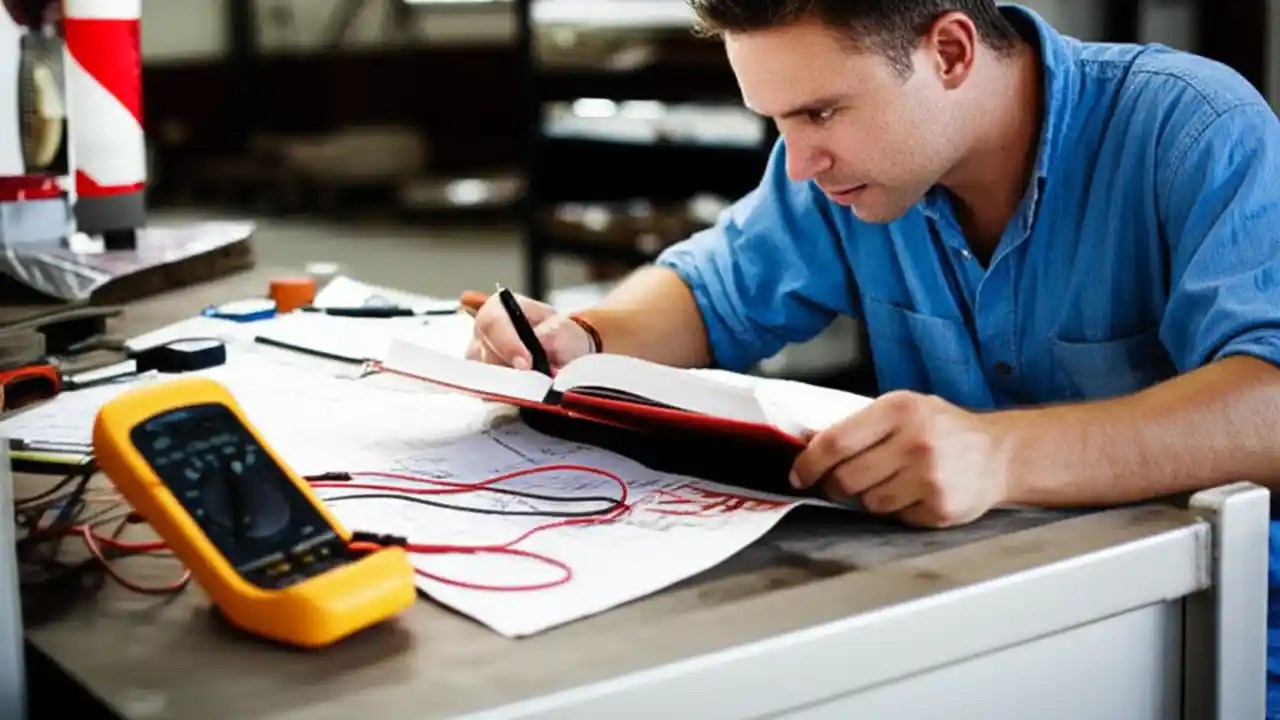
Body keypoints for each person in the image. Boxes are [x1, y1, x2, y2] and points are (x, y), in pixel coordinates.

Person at [467, 0, 1280, 711]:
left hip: (1211, 627)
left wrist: (998, 454)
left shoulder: (1193, 127)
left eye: (819, 114)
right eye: (777, 120)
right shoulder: (836, 171)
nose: (797, 161)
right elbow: (708, 291)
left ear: (951, 52)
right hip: (970, 612)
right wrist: (591, 338)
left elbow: (1269, 405)